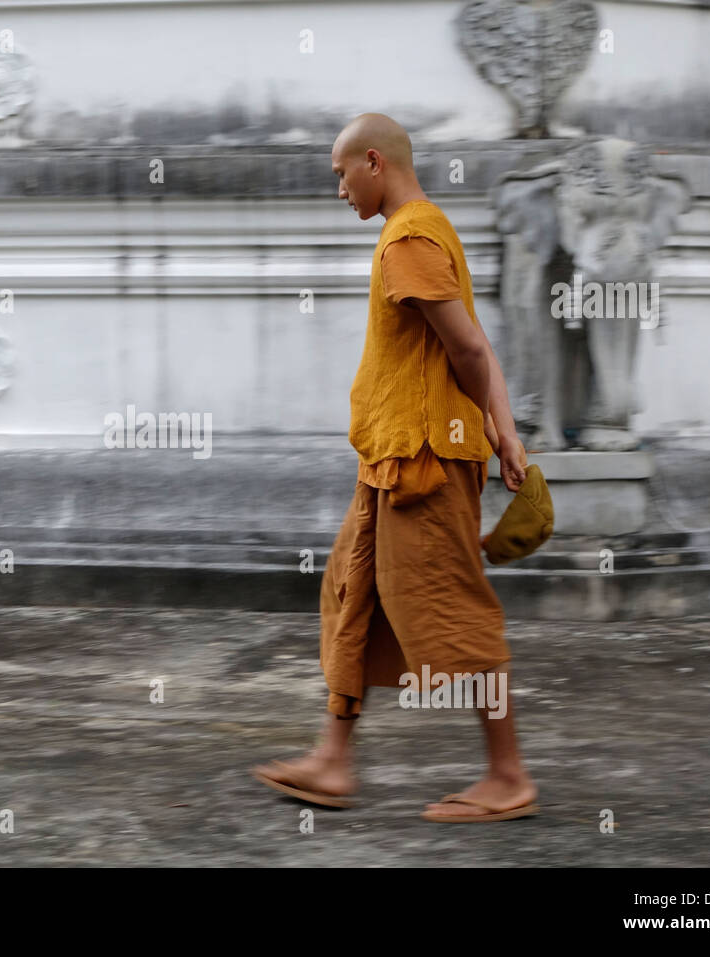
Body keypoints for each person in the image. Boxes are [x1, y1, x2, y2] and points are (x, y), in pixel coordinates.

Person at [252, 113, 538, 822]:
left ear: (373, 161)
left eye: (341, 174)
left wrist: (505, 434)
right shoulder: (420, 229)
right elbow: (474, 348)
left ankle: (508, 776)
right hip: (393, 459)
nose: (339, 189)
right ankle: (334, 760)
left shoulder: (409, 238)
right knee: (358, 600)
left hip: (426, 467)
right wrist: (503, 431)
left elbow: (470, 350)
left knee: (452, 611)